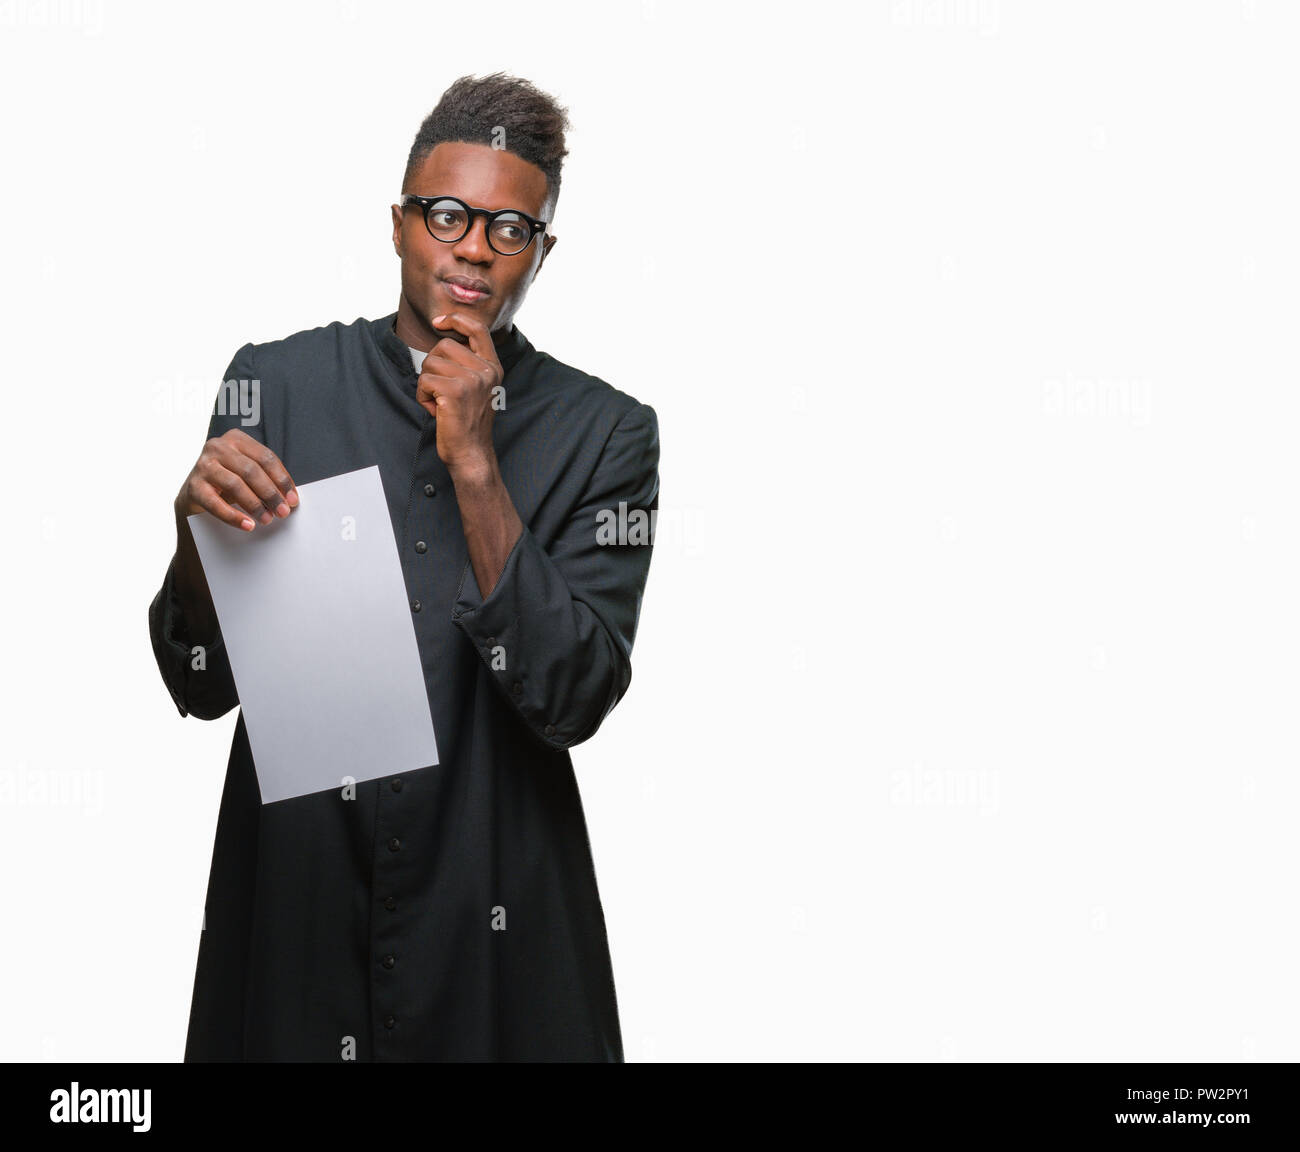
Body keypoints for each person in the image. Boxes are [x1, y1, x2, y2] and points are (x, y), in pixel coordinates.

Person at [147, 72, 659, 1062]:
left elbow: (573, 696)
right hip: (297, 913)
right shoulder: (274, 384)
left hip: (493, 923)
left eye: (509, 229)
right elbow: (198, 686)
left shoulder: (609, 434)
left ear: (539, 254)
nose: (473, 245)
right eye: (447, 214)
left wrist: (475, 461)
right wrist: (191, 534)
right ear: (399, 225)